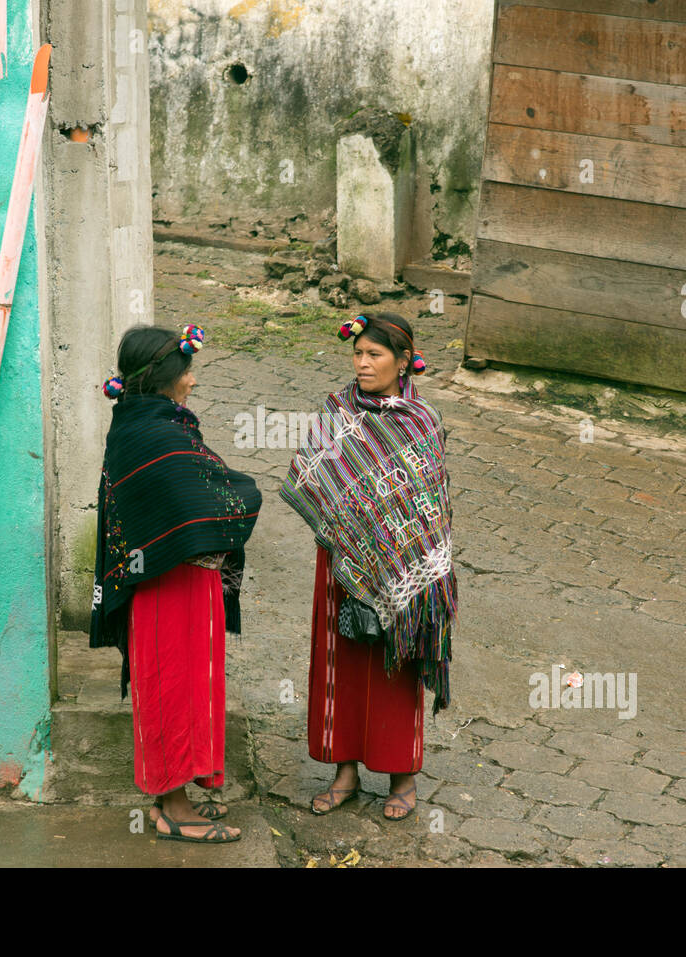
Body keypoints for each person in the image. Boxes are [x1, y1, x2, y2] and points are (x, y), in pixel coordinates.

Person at [279, 311, 457, 821]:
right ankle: (344, 771)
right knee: (343, 662)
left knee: (395, 663)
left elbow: (430, 505)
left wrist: (406, 555)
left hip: (403, 569)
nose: (362, 363)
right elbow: (317, 476)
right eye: (357, 354)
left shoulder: (422, 422)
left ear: (404, 362)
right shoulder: (336, 411)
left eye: (374, 355)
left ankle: (402, 776)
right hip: (344, 562)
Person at [90, 323, 261, 843]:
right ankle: (171, 808)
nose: (191, 382)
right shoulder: (157, 433)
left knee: (186, 687)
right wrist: (247, 493)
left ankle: (177, 794)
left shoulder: (141, 422)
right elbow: (209, 494)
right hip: (167, 586)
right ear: (167, 377)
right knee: (170, 689)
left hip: (182, 582)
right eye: (187, 373)